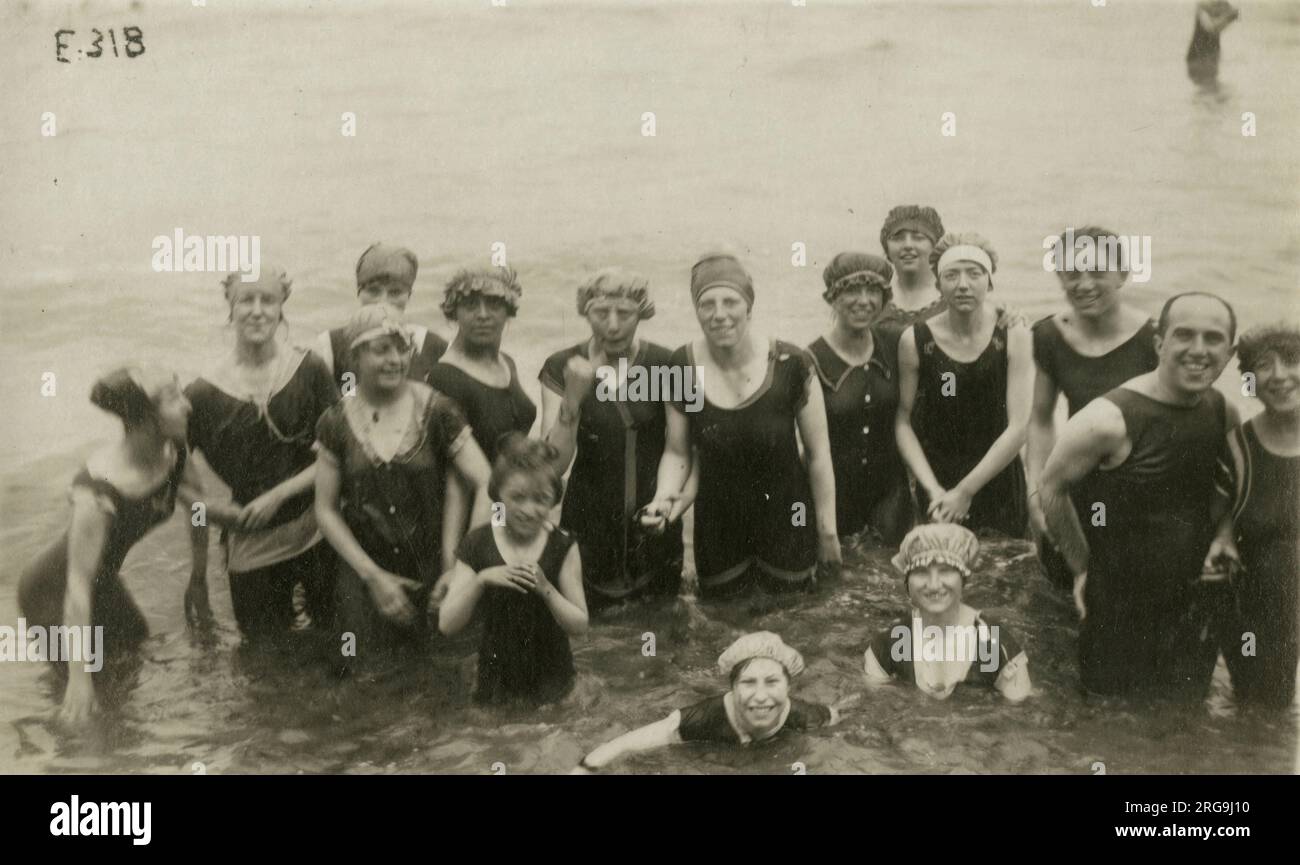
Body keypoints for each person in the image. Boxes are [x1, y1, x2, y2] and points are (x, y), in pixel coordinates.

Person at [1040, 291, 1240, 701]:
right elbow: (1052, 489)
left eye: (1213, 338)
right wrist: (1081, 570)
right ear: (1158, 344)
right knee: (1107, 718)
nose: (1198, 350)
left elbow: (1228, 486)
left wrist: (1223, 536)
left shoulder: (1223, 410)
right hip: (1117, 603)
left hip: (1189, 601)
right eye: (1184, 335)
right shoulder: (1107, 420)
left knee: (1184, 718)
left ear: (1231, 351)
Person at [641, 252, 841, 600]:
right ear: (696, 310)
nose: (720, 315)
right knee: (719, 628)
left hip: (788, 519)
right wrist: (662, 498)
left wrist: (827, 532)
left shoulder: (793, 362)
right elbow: (677, 451)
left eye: (731, 301)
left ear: (749, 306)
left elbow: (819, 454)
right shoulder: (680, 365)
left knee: (799, 622)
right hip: (718, 525)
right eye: (707, 304)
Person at [314, 304, 492, 668]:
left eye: (402, 348)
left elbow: (488, 483)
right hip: (363, 576)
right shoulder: (334, 422)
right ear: (354, 357)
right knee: (368, 682)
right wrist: (373, 577)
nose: (395, 360)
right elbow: (325, 510)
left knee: (446, 677)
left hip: (434, 575)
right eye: (381, 350)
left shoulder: (438, 411)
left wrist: (461, 567)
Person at [19, 366, 196, 726]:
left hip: (104, 580)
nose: (188, 405)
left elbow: (201, 507)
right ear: (146, 418)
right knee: (87, 696)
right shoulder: (97, 490)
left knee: (134, 652)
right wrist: (80, 680)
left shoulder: (172, 450)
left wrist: (201, 576)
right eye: (173, 398)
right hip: (53, 589)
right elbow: (77, 588)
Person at [184, 267, 340, 646]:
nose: (257, 310)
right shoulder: (202, 393)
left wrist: (278, 495)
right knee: (262, 660)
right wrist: (199, 574)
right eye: (245, 300)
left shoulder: (309, 369)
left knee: (332, 647)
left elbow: (339, 455)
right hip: (251, 544)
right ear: (230, 308)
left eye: (267, 300)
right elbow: (178, 485)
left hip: (318, 530)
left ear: (281, 306)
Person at [539, 268, 684, 609]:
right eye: (601, 313)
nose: (614, 325)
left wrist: (665, 500)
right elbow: (553, 465)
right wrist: (572, 400)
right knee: (592, 640)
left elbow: (680, 449)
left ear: (642, 313)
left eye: (625, 313)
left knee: (658, 634)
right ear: (585, 313)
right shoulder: (560, 364)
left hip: (653, 521)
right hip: (589, 526)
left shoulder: (669, 363)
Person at [1028, 228, 1158, 590]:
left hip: (1142, 485)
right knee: (1064, 590)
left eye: (1098, 272)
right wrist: (1036, 493)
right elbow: (1040, 420)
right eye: (1072, 274)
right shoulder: (1049, 336)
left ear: (1123, 275)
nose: (1084, 285)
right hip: (1074, 481)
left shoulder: (1154, 337)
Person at [895, 233, 1033, 536]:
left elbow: (1019, 427)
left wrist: (966, 491)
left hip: (998, 477)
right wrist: (933, 489)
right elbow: (902, 421)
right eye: (951, 275)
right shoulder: (916, 339)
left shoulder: (1013, 333)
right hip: (938, 481)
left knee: (1004, 574)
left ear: (990, 281)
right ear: (938, 285)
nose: (963, 284)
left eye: (975, 273)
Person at [438, 436, 588, 705]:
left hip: (555, 684)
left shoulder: (562, 545)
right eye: (517, 497)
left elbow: (580, 625)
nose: (529, 510)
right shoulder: (478, 543)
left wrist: (546, 589)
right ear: (498, 495)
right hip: (496, 686)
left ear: (554, 500)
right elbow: (447, 624)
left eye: (541, 499)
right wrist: (482, 580)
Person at [572, 631, 840, 771]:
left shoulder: (808, 717)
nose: (761, 696)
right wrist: (582, 771)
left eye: (772, 682)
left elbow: (847, 715)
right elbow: (623, 745)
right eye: (748, 683)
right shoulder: (702, 718)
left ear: (788, 686)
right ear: (733, 688)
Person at [1208, 324, 1300, 708]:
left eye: (1292, 360)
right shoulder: (1237, 445)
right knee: (1263, 711)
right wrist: (1224, 536)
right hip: (1264, 605)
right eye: (1264, 365)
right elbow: (1221, 517)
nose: (1278, 375)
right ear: (1248, 380)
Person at [808, 252, 911, 543]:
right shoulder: (810, 360)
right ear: (832, 297)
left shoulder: (897, 343)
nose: (864, 300)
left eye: (873, 292)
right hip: (835, 501)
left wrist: (1005, 317)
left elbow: (947, 332)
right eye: (852, 291)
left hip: (892, 497)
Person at [863, 524, 1031, 701]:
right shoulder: (886, 647)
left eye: (946, 571)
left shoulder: (995, 645)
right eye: (921, 572)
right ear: (907, 583)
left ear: (964, 579)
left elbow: (1021, 716)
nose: (934, 585)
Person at [313, 243, 448, 390]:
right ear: (359, 292)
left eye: (395, 292)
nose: (383, 302)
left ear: (409, 296)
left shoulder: (430, 345)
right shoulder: (331, 346)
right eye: (373, 291)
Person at [873, 205, 947, 344]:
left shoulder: (951, 297)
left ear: (935, 246)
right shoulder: (874, 297)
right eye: (898, 238)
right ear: (886, 248)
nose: (907, 245)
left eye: (918, 238)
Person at [1186, 1, 1240, 89]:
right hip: (1198, 55)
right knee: (1206, 86)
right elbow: (1210, 28)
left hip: (1212, 53)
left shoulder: (1222, 4)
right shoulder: (1203, 6)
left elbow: (1217, 28)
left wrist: (1229, 17)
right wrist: (1228, 18)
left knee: (1212, 85)